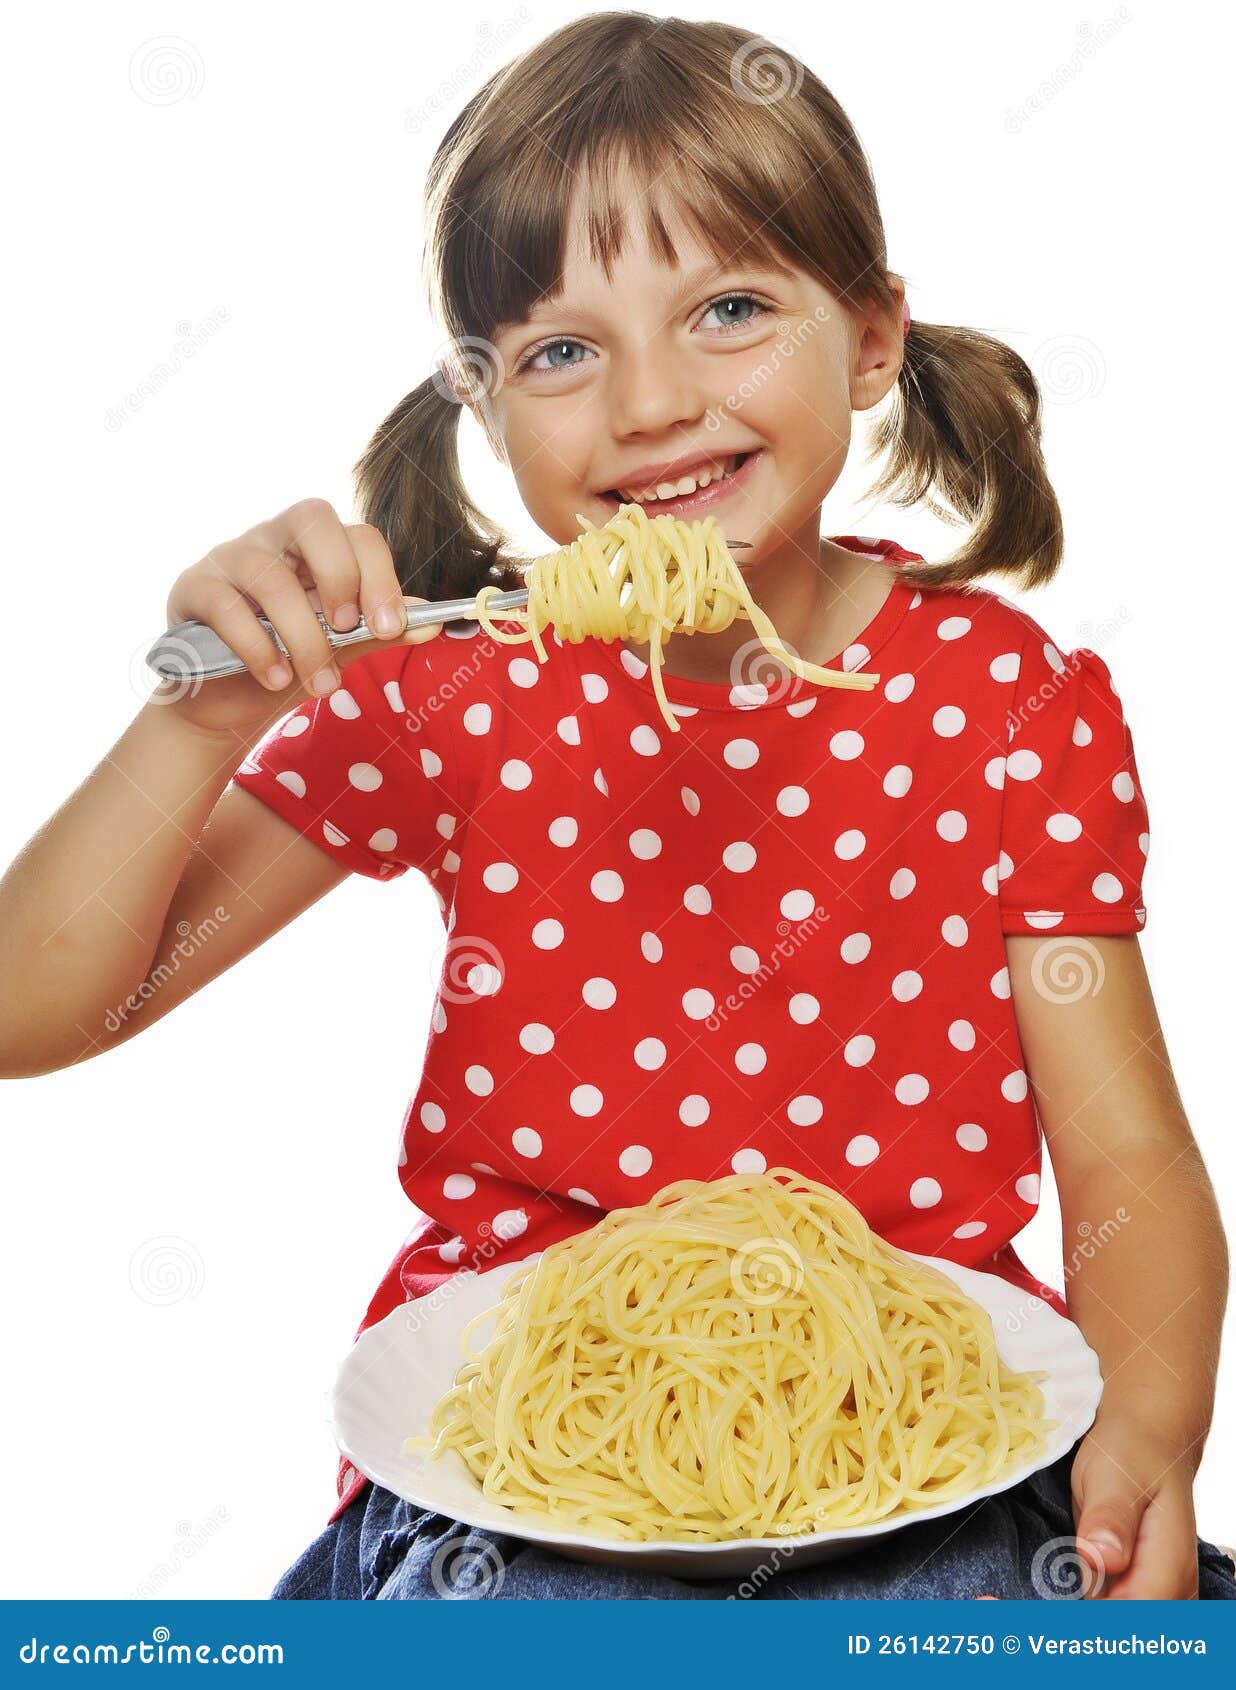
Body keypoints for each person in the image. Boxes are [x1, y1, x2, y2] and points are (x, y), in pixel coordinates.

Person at [2, 10, 1231, 1601]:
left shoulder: (1006, 707)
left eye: (728, 308)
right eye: (562, 352)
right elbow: (40, 1004)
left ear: (868, 339)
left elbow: (1126, 1150)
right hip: (508, 1476)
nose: (648, 403)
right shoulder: (454, 693)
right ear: (485, 403)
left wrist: (1152, 1413)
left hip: (921, 1447)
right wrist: (200, 722)